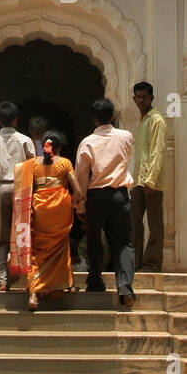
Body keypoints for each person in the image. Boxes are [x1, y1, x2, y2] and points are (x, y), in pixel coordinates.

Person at [75, 98, 137, 308]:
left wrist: (80, 203)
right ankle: (125, 287)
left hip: (96, 195)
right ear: (112, 116)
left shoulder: (88, 142)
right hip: (120, 194)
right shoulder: (126, 137)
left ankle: (95, 281)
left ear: (94, 119)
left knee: (94, 239)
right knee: (123, 242)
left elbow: (81, 175)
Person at [25, 131, 84, 311]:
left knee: (36, 252)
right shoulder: (65, 163)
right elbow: (79, 191)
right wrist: (74, 203)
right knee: (60, 249)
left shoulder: (32, 164)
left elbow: (25, 191)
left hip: (40, 209)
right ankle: (59, 285)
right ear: (60, 146)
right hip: (60, 211)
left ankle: (33, 294)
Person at [0, 101, 35, 290]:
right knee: (24, 232)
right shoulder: (25, 140)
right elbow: (33, 166)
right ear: (16, 119)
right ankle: (27, 277)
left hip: (0, 187)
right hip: (21, 188)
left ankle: (3, 278)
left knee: (2, 235)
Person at [131, 81, 168, 272]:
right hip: (139, 179)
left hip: (151, 181)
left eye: (144, 97)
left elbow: (158, 152)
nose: (141, 100)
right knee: (134, 220)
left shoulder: (156, 120)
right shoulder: (144, 120)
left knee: (155, 224)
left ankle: (152, 264)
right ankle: (135, 262)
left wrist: (151, 180)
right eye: (137, 97)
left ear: (151, 98)